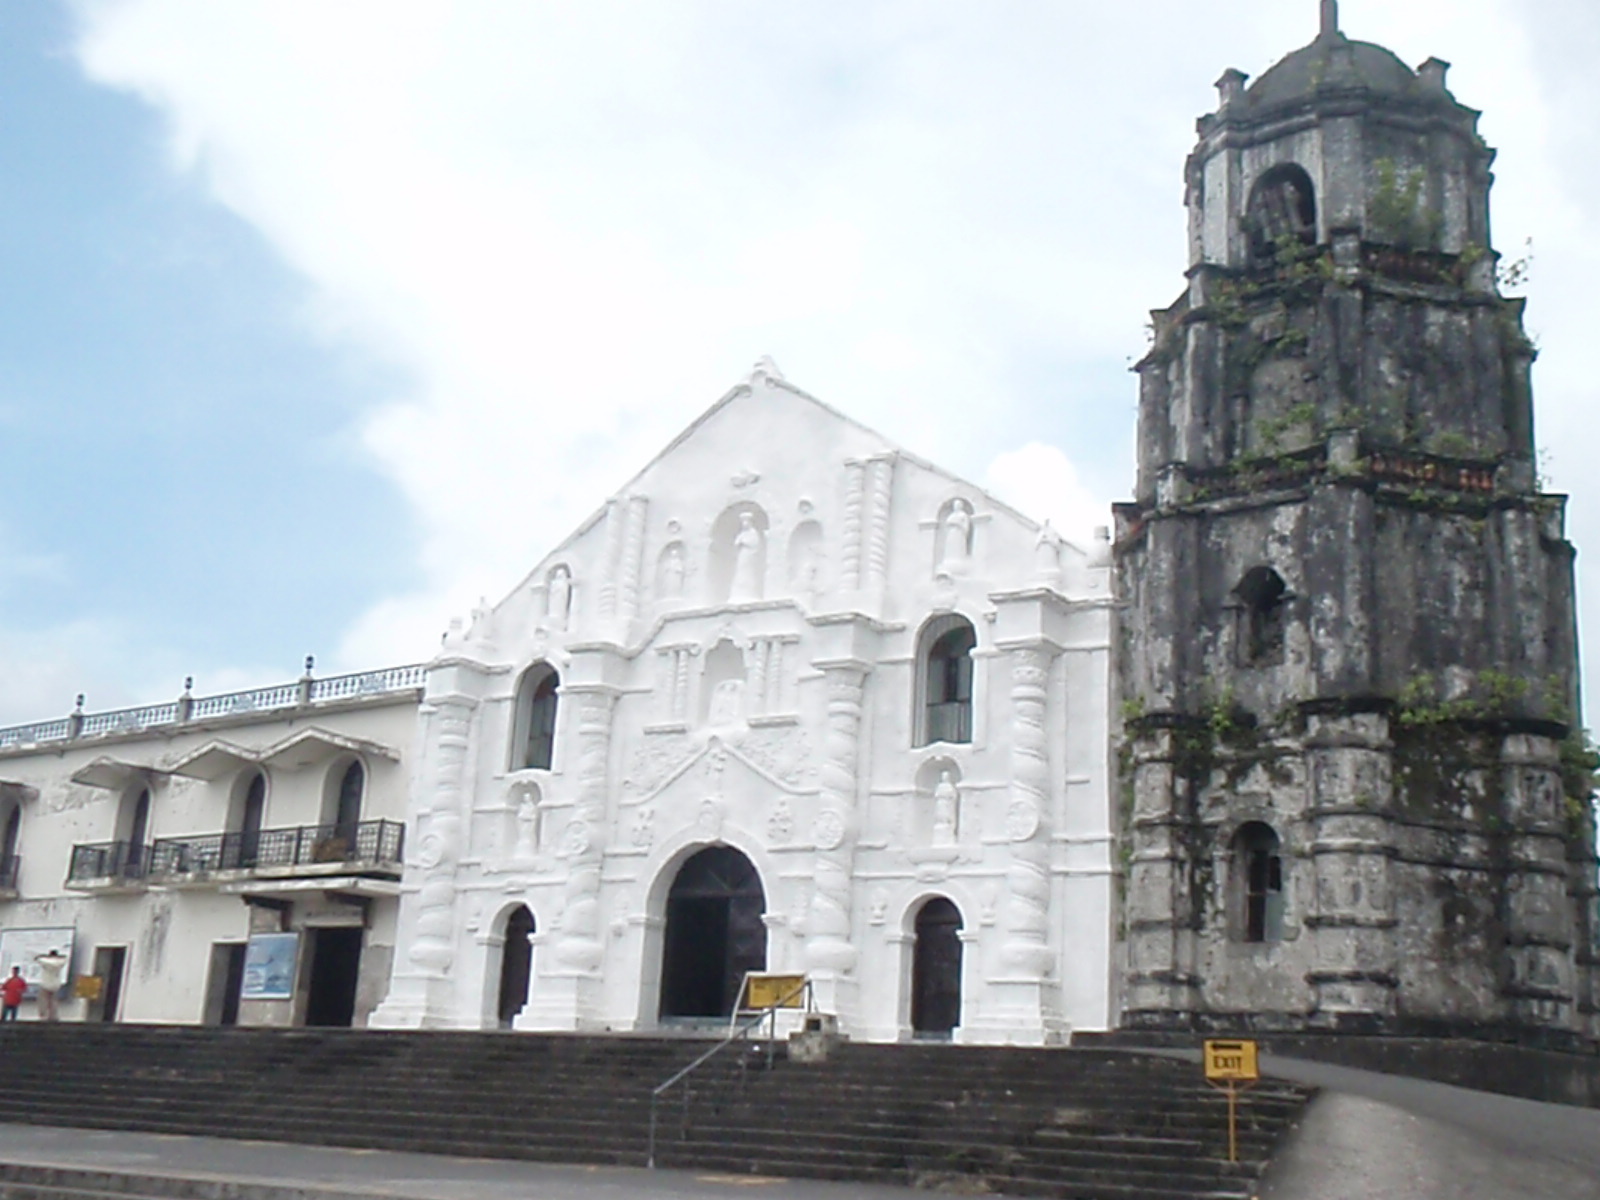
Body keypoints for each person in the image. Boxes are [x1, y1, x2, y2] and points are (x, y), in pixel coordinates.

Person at [33, 949, 66, 1021]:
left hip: (45, 984)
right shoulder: (61, 962)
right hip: (55, 985)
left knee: (43, 1001)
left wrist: (39, 957)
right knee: (53, 1001)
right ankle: (53, 1016)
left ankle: (43, 1016)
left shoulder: (45, 962)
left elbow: (39, 959)